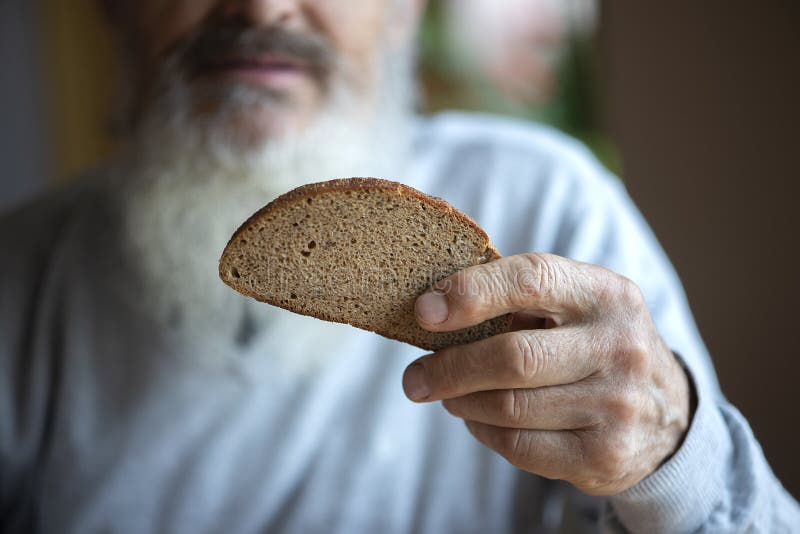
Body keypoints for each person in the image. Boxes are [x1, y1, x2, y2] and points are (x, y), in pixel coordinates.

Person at [0, 0, 797, 532]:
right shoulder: (23, 279)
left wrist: (668, 448)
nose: (261, 8)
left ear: (405, 10)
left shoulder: (547, 207)